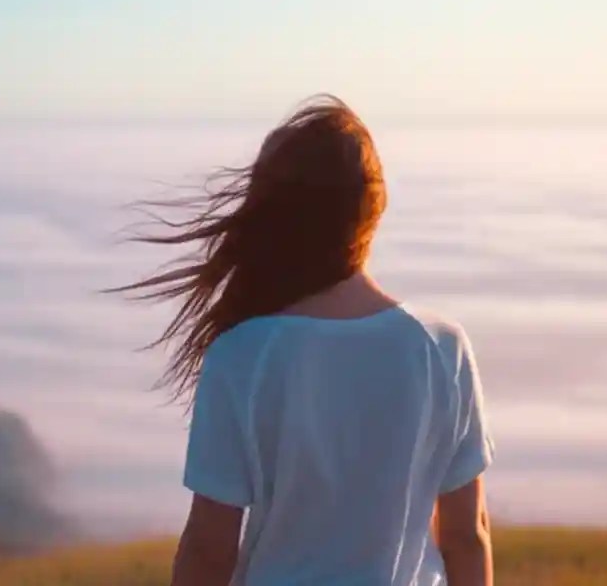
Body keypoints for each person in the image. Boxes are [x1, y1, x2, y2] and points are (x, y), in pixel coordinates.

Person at [114, 95, 494, 585]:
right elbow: (466, 536)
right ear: (373, 209)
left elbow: (210, 547)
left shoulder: (242, 354)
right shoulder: (442, 348)